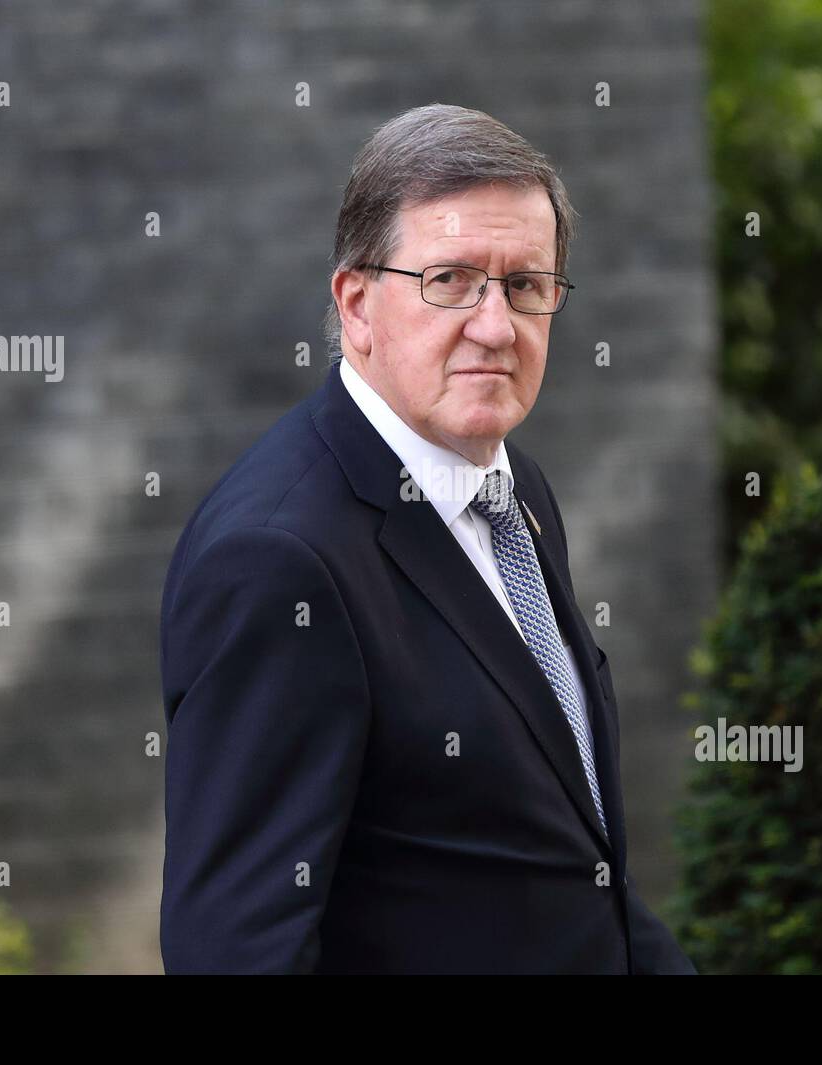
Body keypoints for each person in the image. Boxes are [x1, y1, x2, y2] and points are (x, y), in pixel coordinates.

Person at [159, 103, 697, 974]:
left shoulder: (511, 488)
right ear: (357, 303)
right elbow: (238, 949)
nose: (495, 325)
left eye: (525, 285)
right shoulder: (279, 562)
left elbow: (573, 860)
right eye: (450, 280)